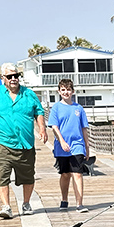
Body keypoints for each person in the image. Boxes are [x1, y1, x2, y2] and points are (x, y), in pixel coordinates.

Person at [0, 62, 47, 219]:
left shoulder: (29, 94)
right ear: (3, 78)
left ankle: (26, 203)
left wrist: (42, 128)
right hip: (3, 143)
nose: (14, 79)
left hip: (25, 144)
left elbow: (39, 111)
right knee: (1, 174)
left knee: (28, 176)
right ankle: (6, 206)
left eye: (16, 75)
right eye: (10, 76)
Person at [47, 78, 90, 212]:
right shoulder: (56, 108)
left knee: (77, 173)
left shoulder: (79, 108)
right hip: (62, 147)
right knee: (65, 174)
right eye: (63, 90)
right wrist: (62, 141)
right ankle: (64, 199)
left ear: (73, 91)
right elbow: (54, 127)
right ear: (59, 91)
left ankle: (79, 203)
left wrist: (87, 147)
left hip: (77, 145)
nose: (66, 92)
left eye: (68, 90)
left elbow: (84, 128)